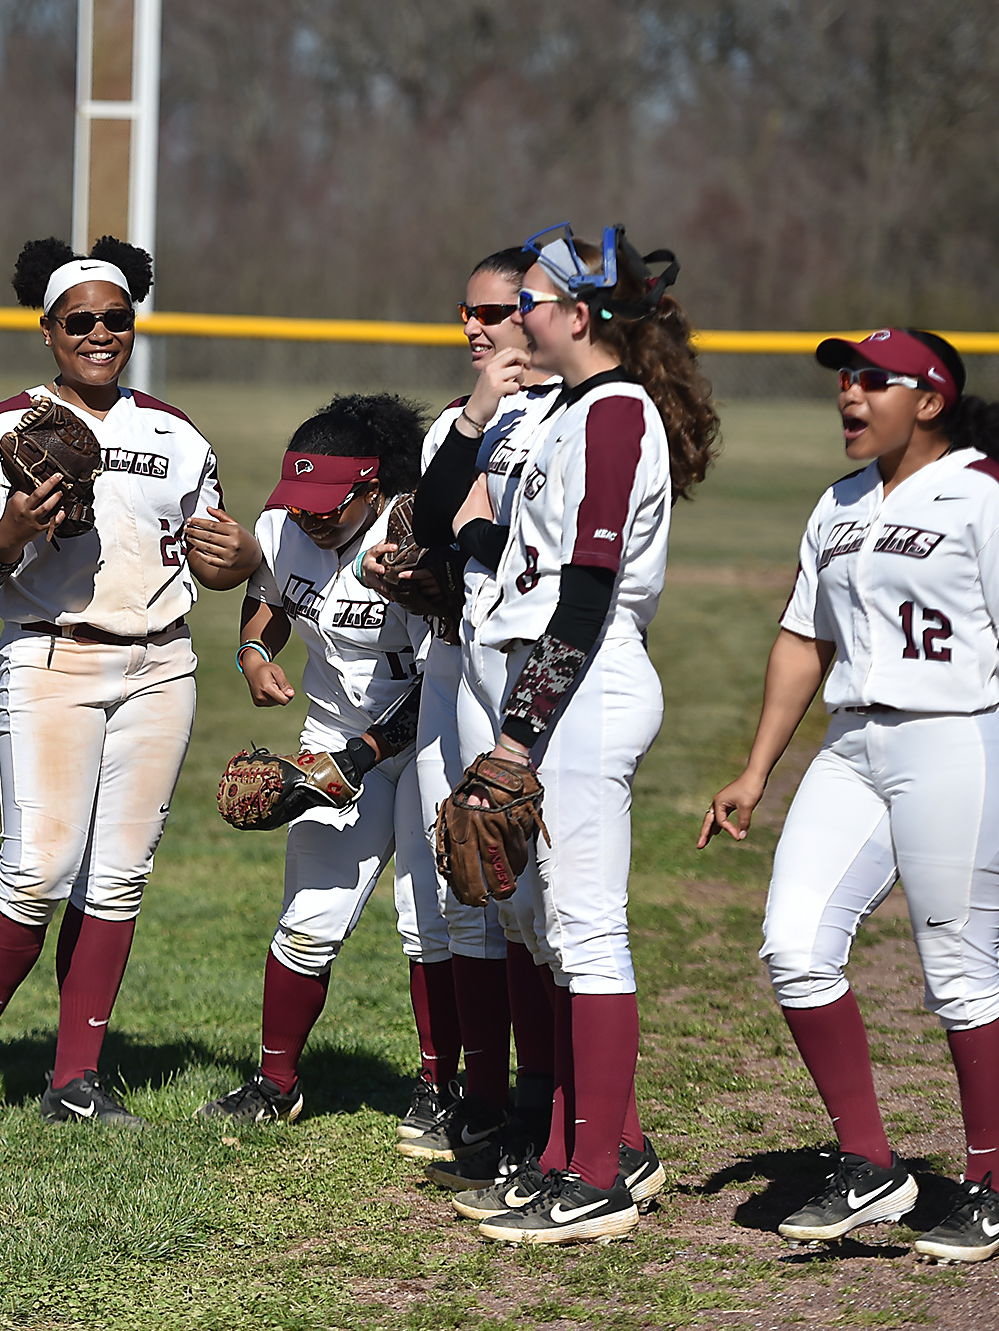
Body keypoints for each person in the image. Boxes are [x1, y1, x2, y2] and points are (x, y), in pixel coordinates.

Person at [698, 327, 999, 1264]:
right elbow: (802, 638)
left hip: (958, 744)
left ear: (931, 399)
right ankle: (869, 1163)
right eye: (843, 381)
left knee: (959, 972)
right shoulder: (842, 501)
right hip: (854, 744)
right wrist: (756, 768)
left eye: (871, 380)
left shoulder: (989, 494)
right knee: (794, 946)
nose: (849, 395)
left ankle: (993, 1190)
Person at [0, 236, 259, 1129]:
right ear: (49, 330)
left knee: (117, 878)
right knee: (36, 868)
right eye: (81, 320)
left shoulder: (174, 434)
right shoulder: (9, 425)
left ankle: (75, 1078)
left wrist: (238, 560)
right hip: (52, 657)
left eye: (116, 318)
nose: (101, 332)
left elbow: (212, 563)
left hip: (160, 665)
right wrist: (12, 532)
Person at [458, 223, 717, 1245]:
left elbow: (587, 593)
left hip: (585, 685)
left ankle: (600, 1175)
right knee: (550, 928)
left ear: (576, 314)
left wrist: (517, 734)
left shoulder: (613, 412)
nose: (516, 313)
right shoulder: (565, 410)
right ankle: (571, 1151)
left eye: (529, 298)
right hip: (548, 686)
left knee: (588, 930)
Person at [366, 246, 565, 1164]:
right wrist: (416, 568)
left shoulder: (575, 412)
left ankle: (543, 1097)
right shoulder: (468, 415)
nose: (478, 328)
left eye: (500, 310)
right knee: (466, 879)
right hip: (453, 665)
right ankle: (480, 1095)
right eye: (470, 312)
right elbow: (441, 516)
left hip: (523, 670)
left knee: (528, 893)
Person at [197, 393, 443, 1125]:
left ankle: (441, 1088)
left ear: (371, 490)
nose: (307, 519)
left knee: (428, 919)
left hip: (426, 740)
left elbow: (437, 677)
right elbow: (268, 591)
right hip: (335, 735)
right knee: (307, 919)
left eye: (325, 506)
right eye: (296, 503)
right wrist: (251, 652)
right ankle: (277, 1084)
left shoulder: (411, 537)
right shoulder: (284, 526)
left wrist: (360, 759)